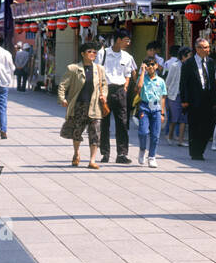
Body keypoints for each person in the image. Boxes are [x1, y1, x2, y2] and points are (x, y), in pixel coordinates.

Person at [59, 41, 108, 168]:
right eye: (89, 52)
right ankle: (76, 153)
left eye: (94, 52)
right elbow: (63, 85)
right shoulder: (74, 69)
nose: (93, 54)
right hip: (79, 105)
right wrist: (62, 98)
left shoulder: (99, 69)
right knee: (77, 132)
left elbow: (104, 84)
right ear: (83, 54)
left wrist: (104, 96)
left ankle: (92, 160)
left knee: (95, 133)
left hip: (95, 106)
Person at [97, 29, 137, 164]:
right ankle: (105, 154)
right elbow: (97, 72)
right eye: (126, 40)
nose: (128, 43)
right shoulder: (102, 54)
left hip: (120, 91)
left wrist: (125, 87)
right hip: (105, 90)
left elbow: (129, 74)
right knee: (104, 124)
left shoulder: (127, 57)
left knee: (123, 123)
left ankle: (122, 154)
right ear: (118, 40)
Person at [180, 38, 216, 160]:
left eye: (208, 47)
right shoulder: (188, 63)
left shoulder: (211, 62)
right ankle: (195, 152)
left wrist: (214, 99)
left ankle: (200, 148)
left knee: (208, 126)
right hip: (193, 98)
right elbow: (183, 83)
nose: (207, 50)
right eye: (204, 47)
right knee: (194, 126)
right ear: (197, 49)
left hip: (208, 98)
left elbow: (213, 82)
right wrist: (184, 100)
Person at [135, 58, 168, 168]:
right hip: (144, 106)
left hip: (156, 108)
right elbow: (138, 88)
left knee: (155, 134)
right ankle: (142, 149)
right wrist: (143, 72)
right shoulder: (142, 78)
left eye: (152, 64)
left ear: (157, 66)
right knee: (143, 132)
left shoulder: (161, 81)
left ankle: (152, 157)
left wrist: (162, 113)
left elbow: (163, 97)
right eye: (148, 65)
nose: (150, 67)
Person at [163, 45, 188, 146]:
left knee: (183, 118)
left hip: (184, 94)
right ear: (183, 56)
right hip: (174, 94)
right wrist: (164, 94)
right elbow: (168, 80)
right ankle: (170, 135)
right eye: (188, 55)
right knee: (175, 118)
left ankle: (180, 140)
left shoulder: (189, 65)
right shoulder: (175, 65)